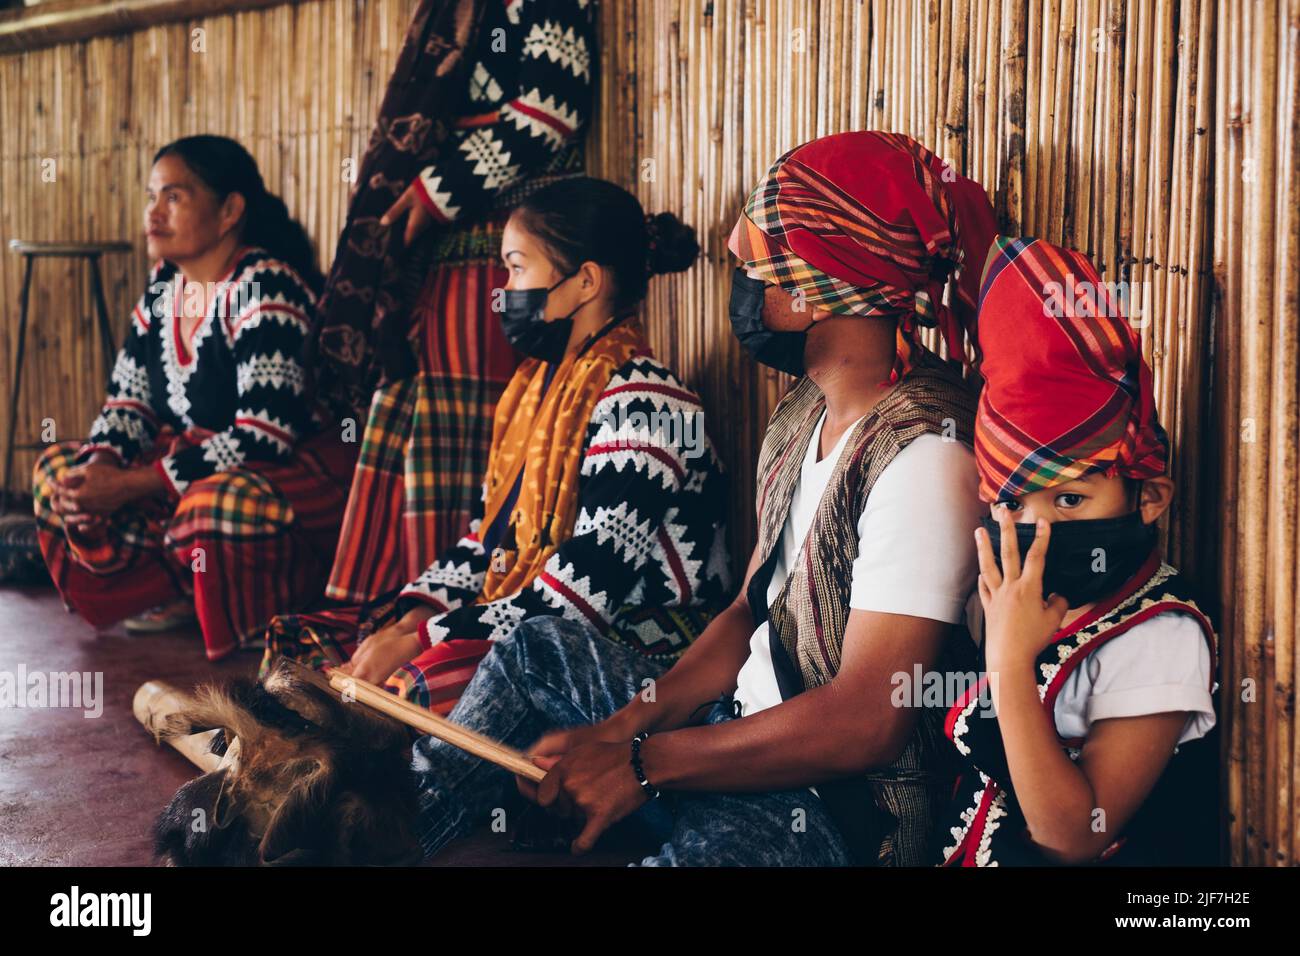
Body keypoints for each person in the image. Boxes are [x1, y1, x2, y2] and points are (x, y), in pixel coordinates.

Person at [403, 130, 998, 865]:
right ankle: (391, 843)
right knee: (534, 651)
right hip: (733, 732)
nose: (735, 270)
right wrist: (624, 729)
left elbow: (866, 722)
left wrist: (647, 762)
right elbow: (749, 611)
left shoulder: (924, 452)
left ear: (817, 287)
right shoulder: (802, 413)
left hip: (829, 808)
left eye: (753, 262)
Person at [263, 177, 731, 714]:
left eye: (516, 267)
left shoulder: (648, 407)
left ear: (584, 282)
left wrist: (422, 641)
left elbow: (576, 601)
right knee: (310, 643)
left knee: (414, 686)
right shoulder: (535, 394)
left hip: (635, 653)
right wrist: (412, 618)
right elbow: (487, 542)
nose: (503, 291)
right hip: (536, 626)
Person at [939, 236, 1219, 866]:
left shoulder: (1160, 636)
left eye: (1070, 503)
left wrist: (1009, 661)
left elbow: (1072, 838)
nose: (1037, 531)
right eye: (1013, 506)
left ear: (1148, 499)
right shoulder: (1020, 603)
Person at [313, 0, 597, 605]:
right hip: (453, 253)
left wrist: (435, 190)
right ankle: (406, 611)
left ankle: (455, 614)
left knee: (475, 432)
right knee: (424, 419)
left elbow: (549, 111)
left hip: (505, 247)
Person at [32, 135, 356, 661]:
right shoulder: (163, 288)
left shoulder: (263, 288)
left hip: (285, 476)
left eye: (174, 197)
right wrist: (100, 470)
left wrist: (130, 485)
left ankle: (261, 614)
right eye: (151, 196)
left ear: (229, 210)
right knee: (58, 472)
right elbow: (127, 403)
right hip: (189, 465)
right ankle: (181, 589)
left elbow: (263, 436)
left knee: (212, 507)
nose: (153, 213)